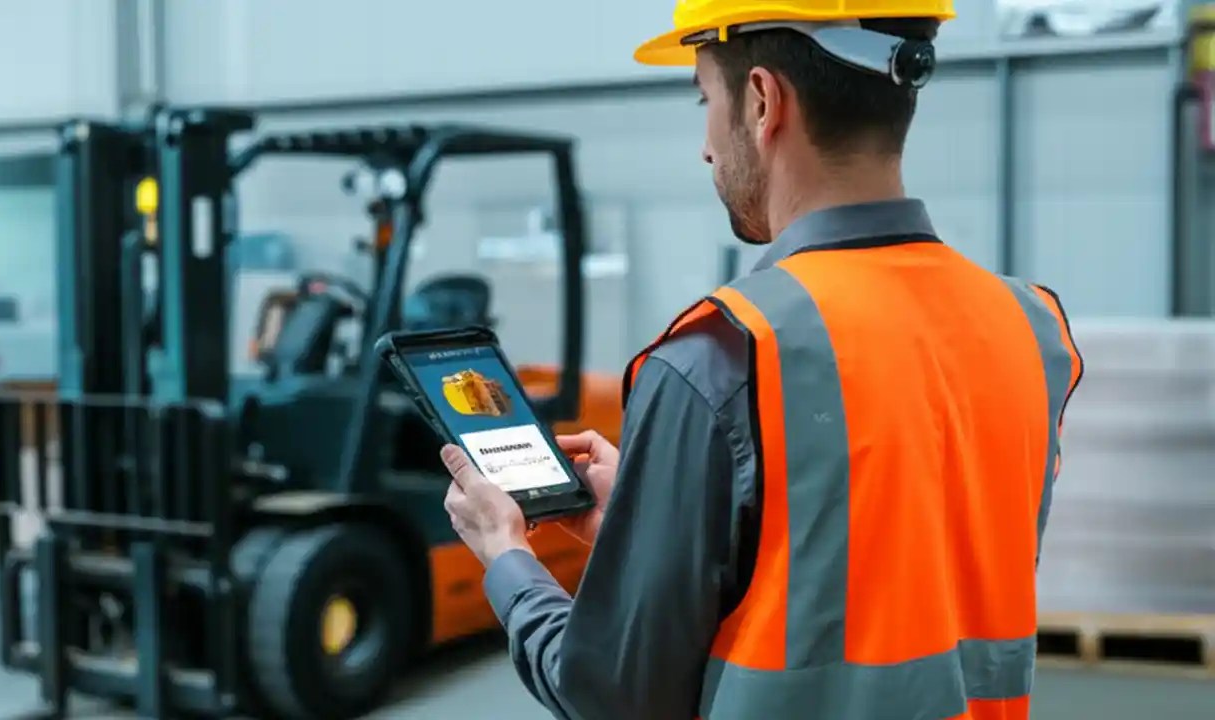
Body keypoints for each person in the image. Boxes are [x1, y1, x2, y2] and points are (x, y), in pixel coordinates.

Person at [439, 1, 1085, 718]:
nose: (706, 146)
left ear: (760, 101)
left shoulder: (724, 351)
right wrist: (663, 518)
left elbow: (611, 695)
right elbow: (891, 553)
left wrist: (507, 559)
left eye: (705, 100)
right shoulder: (1030, 326)